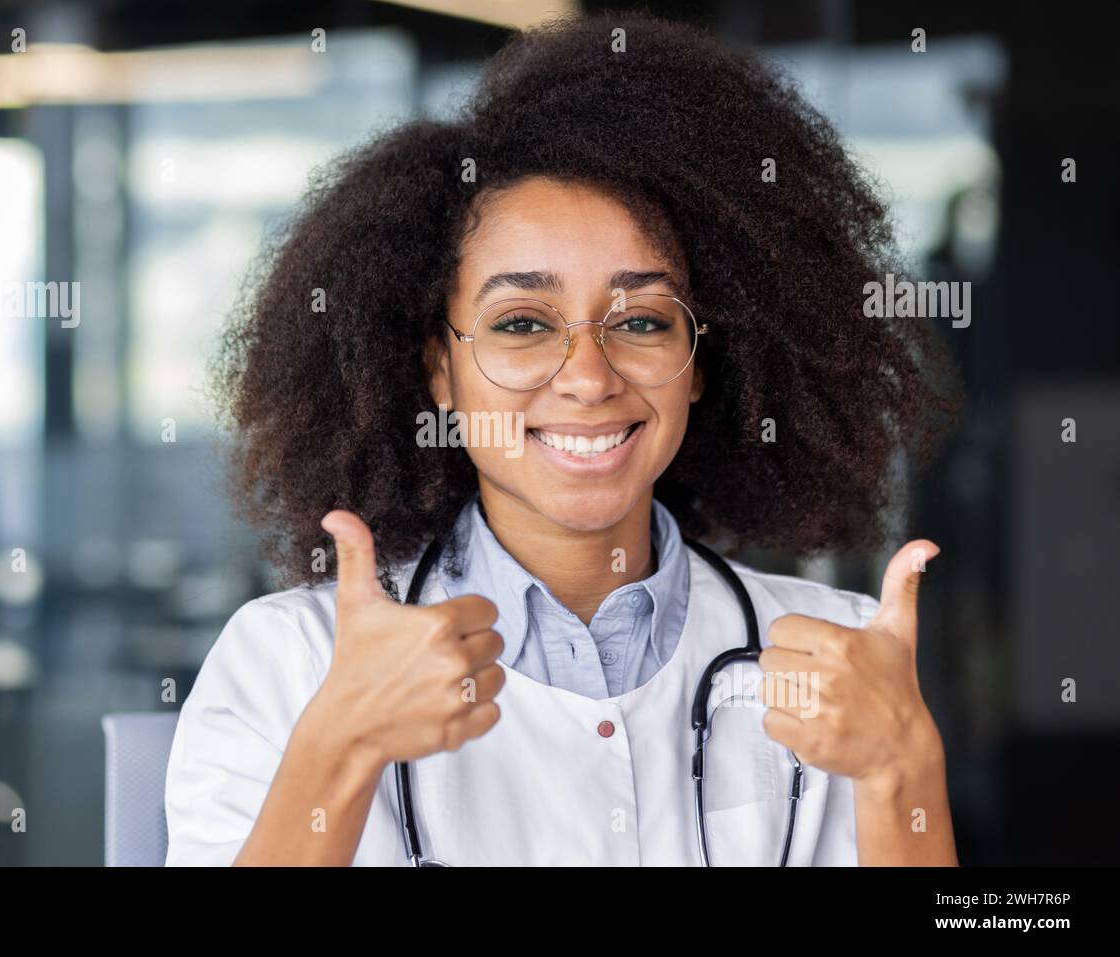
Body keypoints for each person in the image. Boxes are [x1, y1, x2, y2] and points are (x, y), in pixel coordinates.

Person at [164, 12, 962, 866]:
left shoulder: (841, 654)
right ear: (439, 369)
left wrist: (902, 769)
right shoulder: (288, 661)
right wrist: (340, 748)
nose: (588, 376)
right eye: (521, 323)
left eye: (644, 320)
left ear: (699, 362)